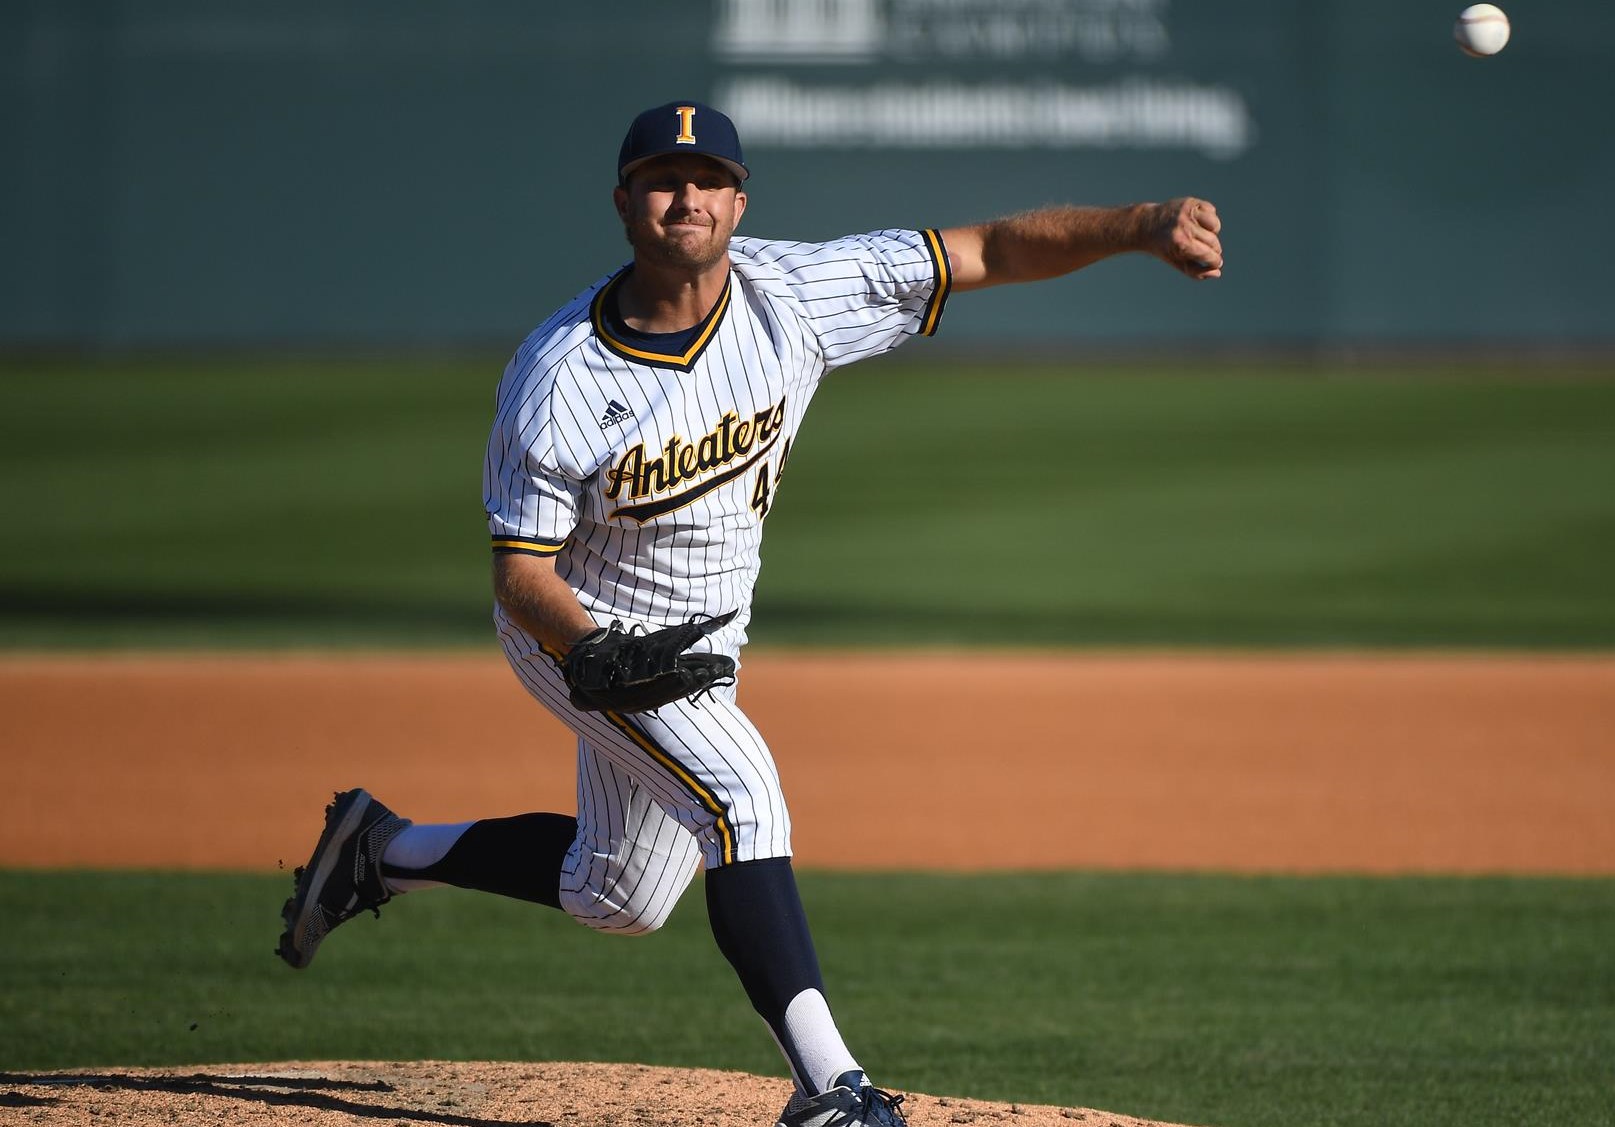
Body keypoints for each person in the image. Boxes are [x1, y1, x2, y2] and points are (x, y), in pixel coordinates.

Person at [277, 99, 1224, 1127]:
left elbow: (987, 248)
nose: (684, 197)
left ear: (737, 201)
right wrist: (592, 648)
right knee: (741, 794)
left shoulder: (796, 292)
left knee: (621, 894)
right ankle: (832, 1088)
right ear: (624, 202)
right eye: (659, 178)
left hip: (706, 643)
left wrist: (1137, 223)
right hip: (583, 632)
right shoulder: (557, 374)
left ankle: (383, 847)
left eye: (705, 180)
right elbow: (519, 573)